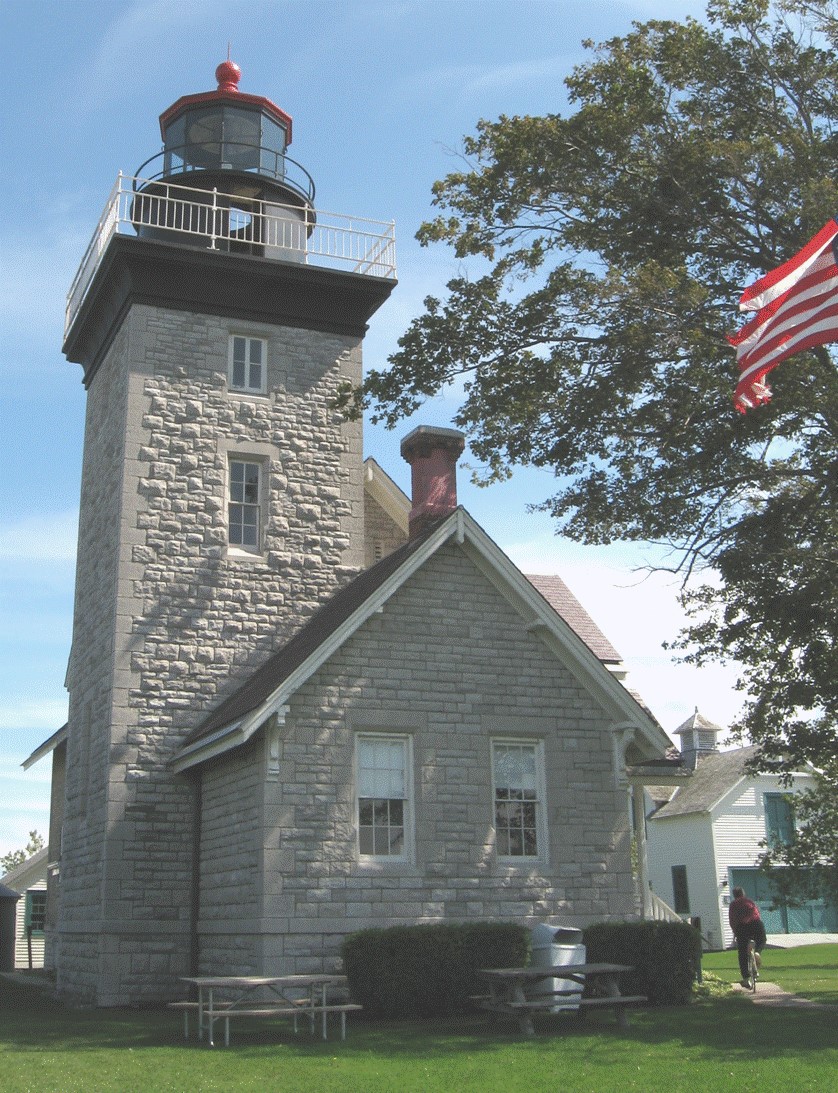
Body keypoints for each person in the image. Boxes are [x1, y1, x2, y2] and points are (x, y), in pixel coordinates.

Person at [728, 886, 767, 986]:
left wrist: (736, 932)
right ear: (743, 893)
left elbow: (732, 920)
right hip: (755, 923)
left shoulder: (733, 905)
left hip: (742, 927)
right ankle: (757, 952)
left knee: (742, 952)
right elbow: (757, 914)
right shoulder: (749, 902)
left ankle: (746, 978)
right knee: (762, 939)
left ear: (734, 895)